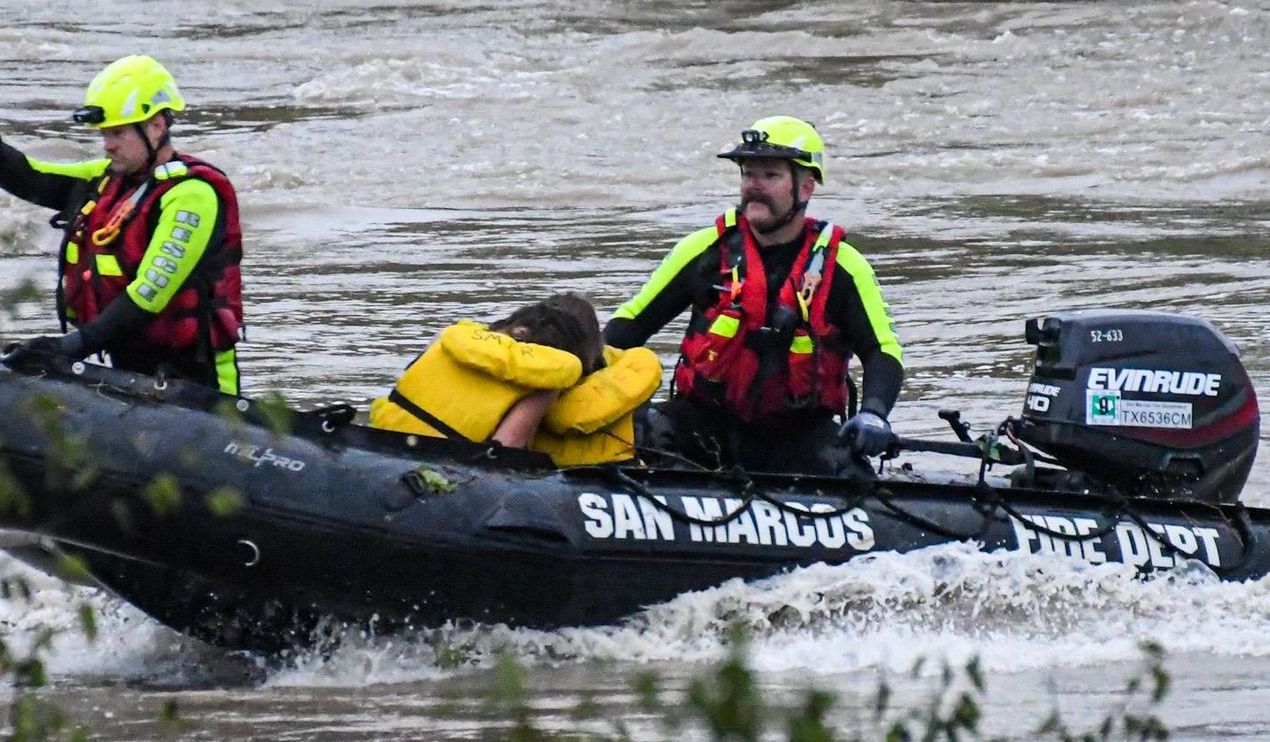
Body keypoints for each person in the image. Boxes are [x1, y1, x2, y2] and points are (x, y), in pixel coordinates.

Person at [603, 115, 903, 475]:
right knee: (646, 425)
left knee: (848, 470)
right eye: (748, 174)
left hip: (798, 437)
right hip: (704, 429)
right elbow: (629, 326)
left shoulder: (844, 266)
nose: (754, 186)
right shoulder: (704, 250)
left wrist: (873, 413)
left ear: (805, 188)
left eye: (770, 176)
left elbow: (882, 350)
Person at [0, 55, 245, 394]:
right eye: (105, 133)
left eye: (118, 133)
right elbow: (30, 178)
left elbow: (149, 295)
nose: (107, 144)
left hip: (198, 381)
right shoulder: (105, 180)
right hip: (132, 371)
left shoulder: (193, 195)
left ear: (157, 127)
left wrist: (69, 346)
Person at [370, 294, 661, 466]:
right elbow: (505, 450)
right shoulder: (547, 381)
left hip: (383, 445)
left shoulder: (455, 341)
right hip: (444, 466)